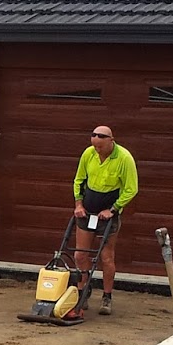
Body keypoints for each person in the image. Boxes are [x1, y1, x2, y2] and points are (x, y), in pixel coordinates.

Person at [72, 124, 138, 315]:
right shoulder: (88, 154)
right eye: (95, 147)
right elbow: (79, 179)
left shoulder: (124, 158)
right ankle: (82, 291)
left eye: (100, 147)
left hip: (108, 213)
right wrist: (78, 204)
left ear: (111, 141)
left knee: (106, 257)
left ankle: (107, 296)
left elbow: (131, 189)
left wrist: (114, 209)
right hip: (87, 210)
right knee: (80, 255)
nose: (97, 150)